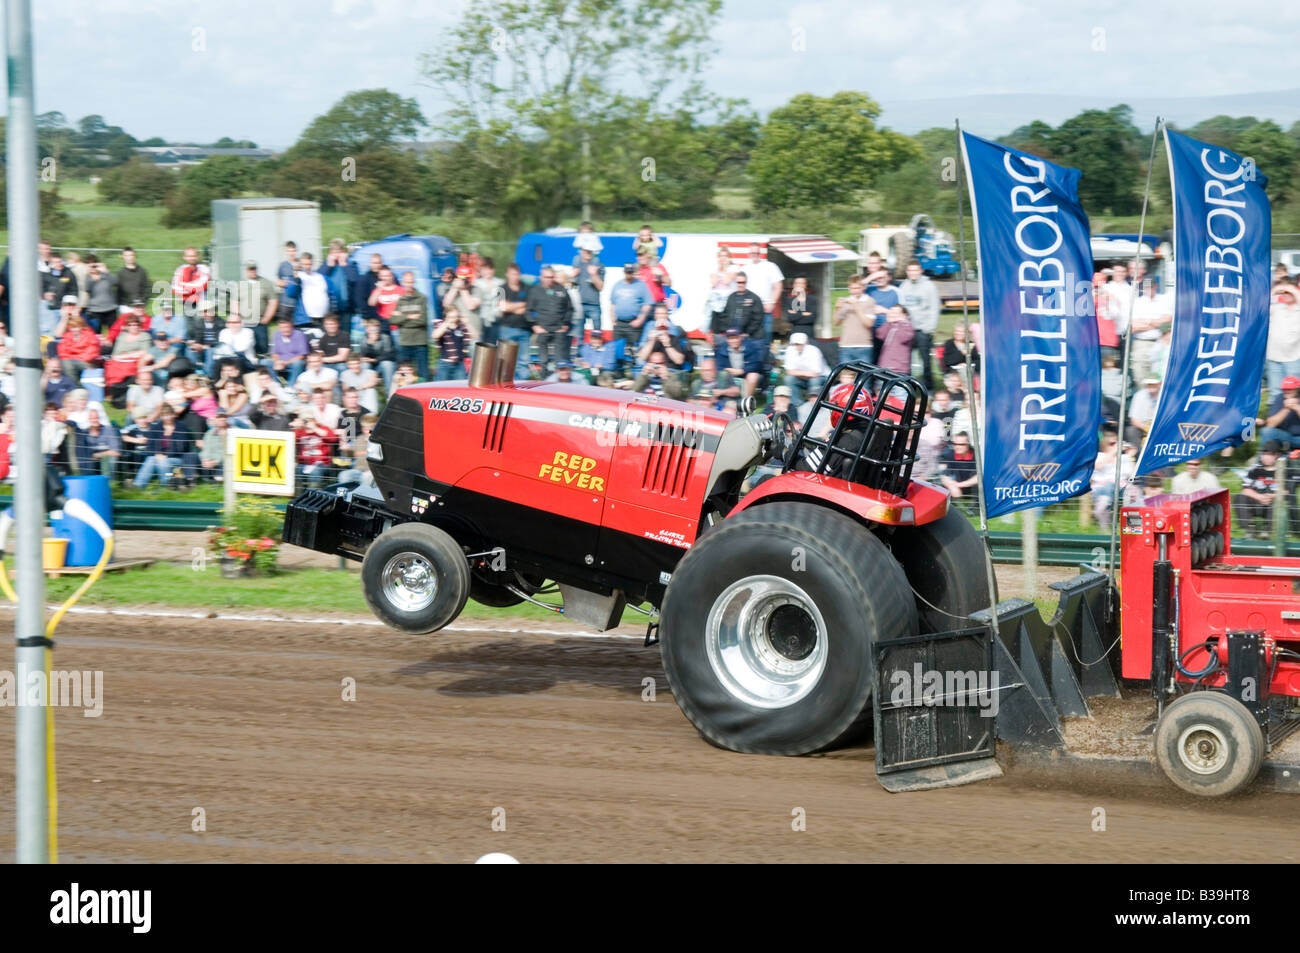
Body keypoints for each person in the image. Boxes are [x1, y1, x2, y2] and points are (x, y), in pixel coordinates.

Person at [714, 272, 768, 398]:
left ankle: (747, 401)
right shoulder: (731, 297)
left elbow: (758, 318)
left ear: (746, 282)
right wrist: (729, 334)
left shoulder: (754, 298)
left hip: (751, 336)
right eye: (738, 282)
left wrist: (746, 333)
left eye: (743, 282)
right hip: (734, 335)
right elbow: (726, 316)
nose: (740, 284)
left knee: (756, 361)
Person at [898, 261, 941, 390]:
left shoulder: (929, 286)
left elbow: (934, 307)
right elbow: (901, 308)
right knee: (907, 362)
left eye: (915, 270)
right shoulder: (903, 286)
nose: (913, 273)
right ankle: (910, 389)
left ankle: (929, 389)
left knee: (926, 363)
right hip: (907, 330)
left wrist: (929, 328)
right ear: (907, 272)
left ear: (920, 271)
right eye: (910, 270)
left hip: (923, 330)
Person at [133, 406, 197, 488]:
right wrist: (157, 454)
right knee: (151, 459)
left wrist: (166, 456)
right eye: (164, 415)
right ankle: (138, 485)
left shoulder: (181, 427)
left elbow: (182, 447)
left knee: (162, 462)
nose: (167, 417)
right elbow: (150, 446)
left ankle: (167, 485)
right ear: (161, 416)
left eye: (169, 414)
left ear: (174, 415)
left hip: (177, 458)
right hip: (159, 457)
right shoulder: (156, 428)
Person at [526, 265, 574, 372]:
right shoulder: (535, 291)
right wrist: (534, 325)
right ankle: (544, 379)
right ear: (542, 277)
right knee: (543, 361)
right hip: (543, 329)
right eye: (546, 277)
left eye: (551, 277)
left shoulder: (561, 290)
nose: (549, 280)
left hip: (558, 329)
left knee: (560, 361)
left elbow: (569, 309)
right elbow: (528, 310)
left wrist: (566, 324)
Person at [1129, 278, 1173, 385]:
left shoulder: (1163, 300)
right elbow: (1134, 326)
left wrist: (1147, 321)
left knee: (1160, 375)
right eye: (1146, 287)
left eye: (1151, 286)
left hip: (1161, 341)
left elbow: (1168, 320)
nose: (1149, 289)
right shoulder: (1137, 302)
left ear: (1156, 286)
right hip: (1141, 343)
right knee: (1140, 375)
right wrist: (1157, 323)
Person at [1234, 442, 1280, 538]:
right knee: (1238, 497)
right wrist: (1259, 497)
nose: (1265, 457)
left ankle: (1268, 529)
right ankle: (1250, 528)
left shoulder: (1282, 471)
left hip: (1272, 504)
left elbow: (1287, 491)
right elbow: (1245, 489)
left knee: (1280, 501)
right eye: (1264, 454)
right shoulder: (1254, 470)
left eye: (1269, 454)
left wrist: (1273, 496)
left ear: (1276, 455)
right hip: (1256, 502)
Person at [496, 263, 532, 378]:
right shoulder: (501, 289)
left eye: (517, 274)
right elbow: (502, 307)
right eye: (512, 274)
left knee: (523, 362)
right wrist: (521, 305)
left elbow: (530, 306)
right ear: (507, 274)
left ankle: (522, 388)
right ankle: (505, 387)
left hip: (524, 330)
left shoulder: (527, 288)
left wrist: (511, 307)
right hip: (507, 329)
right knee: (505, 361)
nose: (515, 277)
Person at [741, 243, 784, 339]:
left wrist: (772, 303)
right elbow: (741, 289)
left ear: (760, 253)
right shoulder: (744, 269)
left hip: (765, 309)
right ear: (749, 253)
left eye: (757, 252)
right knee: (749, 339)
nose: (755, 254)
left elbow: (778, 286)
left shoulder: (770, 266)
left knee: (766, 340)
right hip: (750, 311)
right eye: (752, 252)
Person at [393, 271, 430, 380]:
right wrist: (409, 317)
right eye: (406, 282)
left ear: (414, 282)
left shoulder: (422, 298)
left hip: (420, 342)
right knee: (403, 374)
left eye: (411, 282)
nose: (409, 285)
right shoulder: (400, 300)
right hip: (405, 342)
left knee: (423, 374)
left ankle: (423, 395)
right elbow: (393, 320)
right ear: (403, 283)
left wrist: (402, 318)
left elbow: (422, 320)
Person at [1266, 284, 1300, 404]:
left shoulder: (1298, 309)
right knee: (1275, 392)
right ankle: (1275, 418)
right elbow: (1263, 304)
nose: (1285, 294)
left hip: (1293, 359)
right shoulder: (1276, 308)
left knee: (1294, 392)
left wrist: (1290, 288)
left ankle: (1293, 419)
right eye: (1283, 292)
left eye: (1288, 292)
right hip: (1273, 357)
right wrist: (1275, 290)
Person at [609, 263, 653, 356]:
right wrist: (612, 319)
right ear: (624, 272)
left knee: (633, 353)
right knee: (617, 351)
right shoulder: (617, 285)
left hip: (633, 324)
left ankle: (632, 369)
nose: (629, 274)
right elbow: (613, 303)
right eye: (627, 272)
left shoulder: (641, 285)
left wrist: (640, 320)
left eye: (630, 272)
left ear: (634, 272)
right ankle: (618, 369)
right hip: (619, 324)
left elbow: (647, 304)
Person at [835, 274, 875, 365]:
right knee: (846, 377)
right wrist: (837, 308)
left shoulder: (869, 301)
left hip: (864, 346)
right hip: (846, 345)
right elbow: (836, 322)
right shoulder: (846, 301)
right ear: (849, 288)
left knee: (864, 377)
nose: (855, 291)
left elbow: (869, 324)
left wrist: (856, 307)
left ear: (863, 288)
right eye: (853, 288)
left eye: (858, 288)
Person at [54, 313, 101, 386]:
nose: (74, 329)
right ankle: (74, 386)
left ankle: (75, 386)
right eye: (72, 327)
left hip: (87, 363)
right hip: (70, 362)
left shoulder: (89, 335)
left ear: (81, 326)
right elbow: (62, 352)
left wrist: (75, 359)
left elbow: (92, 353)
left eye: (76, 327)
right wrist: (73, 360)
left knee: (69, 363)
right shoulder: (67, 336)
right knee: (66, 364)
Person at [75, 407, 121, 479]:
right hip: (90, 464)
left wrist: (99, 454)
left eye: (96, 418)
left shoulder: (108, 430)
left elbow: (116, 452)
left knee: (107, 459)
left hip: (105, 463)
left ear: (99, 418)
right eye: (92, 418)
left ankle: (108, 483)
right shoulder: (84, 434)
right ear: (88, 419)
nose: (95, 420)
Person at [782, 332, 829, 403]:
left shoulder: (814, 350)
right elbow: (789, 372)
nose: (797, 346)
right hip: (803, 378)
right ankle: (797, 405)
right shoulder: (790, 350)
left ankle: (814, 404)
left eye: (799, 344)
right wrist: (806, 373)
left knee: (814, 380)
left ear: (806, 343)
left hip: (822, 378)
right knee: (788, 379)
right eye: (795, 344)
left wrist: (796, 372)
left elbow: (816, 373)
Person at [571, 246, 604, 344]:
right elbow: (570, 284)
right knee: (579, 335)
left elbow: (600, 287)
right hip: (579, 304)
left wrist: (594, 274)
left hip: (594, 305)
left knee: (597, 333)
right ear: (580, 251)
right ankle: (580, 355)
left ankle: (597, 352)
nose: (586, 252)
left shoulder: (599, 265)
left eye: (588, 250)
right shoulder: (577, 265)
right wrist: (571, 276)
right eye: (584, 250)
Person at [357, 319, 396, 396]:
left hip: (381, 366)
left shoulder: (385, 338)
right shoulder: (363, 339)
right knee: (365, 365)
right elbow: (362, 355)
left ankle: (390, 395)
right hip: (370, 366)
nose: (375, 331)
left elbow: (389, 355)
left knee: (387, 364)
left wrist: (374, 360)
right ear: (367, 329)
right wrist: (370, 344)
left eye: (376, 329)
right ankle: (363, 394)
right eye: (372, 329)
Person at [1259, 375, 1300, 450]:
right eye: (1285, 389)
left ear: (1297, 389)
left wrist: (1296, 407)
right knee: (1267, 431)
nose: (1287, 391)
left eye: (1290, 389)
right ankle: (1265, 459)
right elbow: (1270, 424)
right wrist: (1286, 409)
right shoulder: (1279, 398)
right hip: (1285, 436)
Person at [433, 307, 473, 381]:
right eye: (451, 316)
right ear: (446, 316)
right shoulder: (440, 324)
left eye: (455, 316)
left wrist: (467, 323)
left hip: (459, 364)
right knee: (441, 389)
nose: (453, 318)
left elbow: (474, 336)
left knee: (460, 388)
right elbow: (435, 335)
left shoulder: (461, 326)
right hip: (444, 364)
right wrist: (447, 323)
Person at [939, 431, 979, 504]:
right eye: (955, 444)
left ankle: (975, 509)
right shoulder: (948, 455)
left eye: (961, 444)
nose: (957, 447)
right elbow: (943, 475)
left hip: (973, 488)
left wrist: (960, 485)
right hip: (955, 487)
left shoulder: (977, 455)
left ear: (968, 444)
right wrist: (951, 485)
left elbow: (980, 476)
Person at [874, 305, 916, 376]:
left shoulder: (907, 325)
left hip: (900, 369)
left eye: (896, 312)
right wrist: (888, 322)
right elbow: (880, 334)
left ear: (904, 315)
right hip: (885, 366)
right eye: (891, 312)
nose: (892, 314)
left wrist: (900, 321)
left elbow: (903, 337)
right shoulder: (890, 325)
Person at [473, 257, 505, 347]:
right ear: (481, 271)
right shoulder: (476, 283)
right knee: (482, 345)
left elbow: (502, 302)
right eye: (484, 269)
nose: (487, 272)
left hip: (495, 319)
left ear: (493, 270)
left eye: (489, 269)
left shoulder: (500, 283)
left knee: (494, 345)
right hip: (481, 319)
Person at [269, 317, 310, 385]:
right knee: (264, 362)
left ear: (291, 326)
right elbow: (274, 353)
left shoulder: (299, 335)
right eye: (282, 327)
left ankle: (291, 386)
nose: (284, 330)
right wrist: (277, 362)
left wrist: (286, 363)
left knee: (298, 363)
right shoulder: (277, 335)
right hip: (280, 362)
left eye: (286, 327)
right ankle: (276, 385)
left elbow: (302, 355)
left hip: (293, 362)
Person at [170, 247, 210, 317]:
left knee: (200, 325)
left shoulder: (204, 268)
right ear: (184, 257)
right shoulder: (180, 269)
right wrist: (193, 286)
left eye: (193, 256)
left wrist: (183, 285)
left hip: (201, 304)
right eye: (189, 256)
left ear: (197, 256)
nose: (191, 258)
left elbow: (202, 286)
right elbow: (175, 289)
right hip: (185, 305)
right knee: (188, 326)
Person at [83, 256, 119, 332]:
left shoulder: (106, 275)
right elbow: (86, 288)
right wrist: (92, 279)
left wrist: (106, 271)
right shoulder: (88, 277)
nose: (93, 268)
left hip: (110, 308)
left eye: (95, 265)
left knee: (114, 333)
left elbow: (116, 282)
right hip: (95, 310)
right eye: (91, 266)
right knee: (96, 334)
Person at [295, 253, 330, 327]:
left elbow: (331, 293)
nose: (307, 267)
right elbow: (291, 293)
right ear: (301, 264)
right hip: (307, 319)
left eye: (309, 264)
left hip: (323, 316)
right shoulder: (299, 276)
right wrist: (295, 279)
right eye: (305, 264)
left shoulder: (320, 276)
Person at [781, 276, 817, 341]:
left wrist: (796, 314)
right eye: (797, 283)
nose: (799, 285)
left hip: (808, 334)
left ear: (805, 285)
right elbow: (790, 318)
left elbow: (812, 318)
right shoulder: (789, 300)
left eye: (802, 283)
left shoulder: (813, 299)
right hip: (794, 333)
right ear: (793, 285)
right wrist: (804, 314)